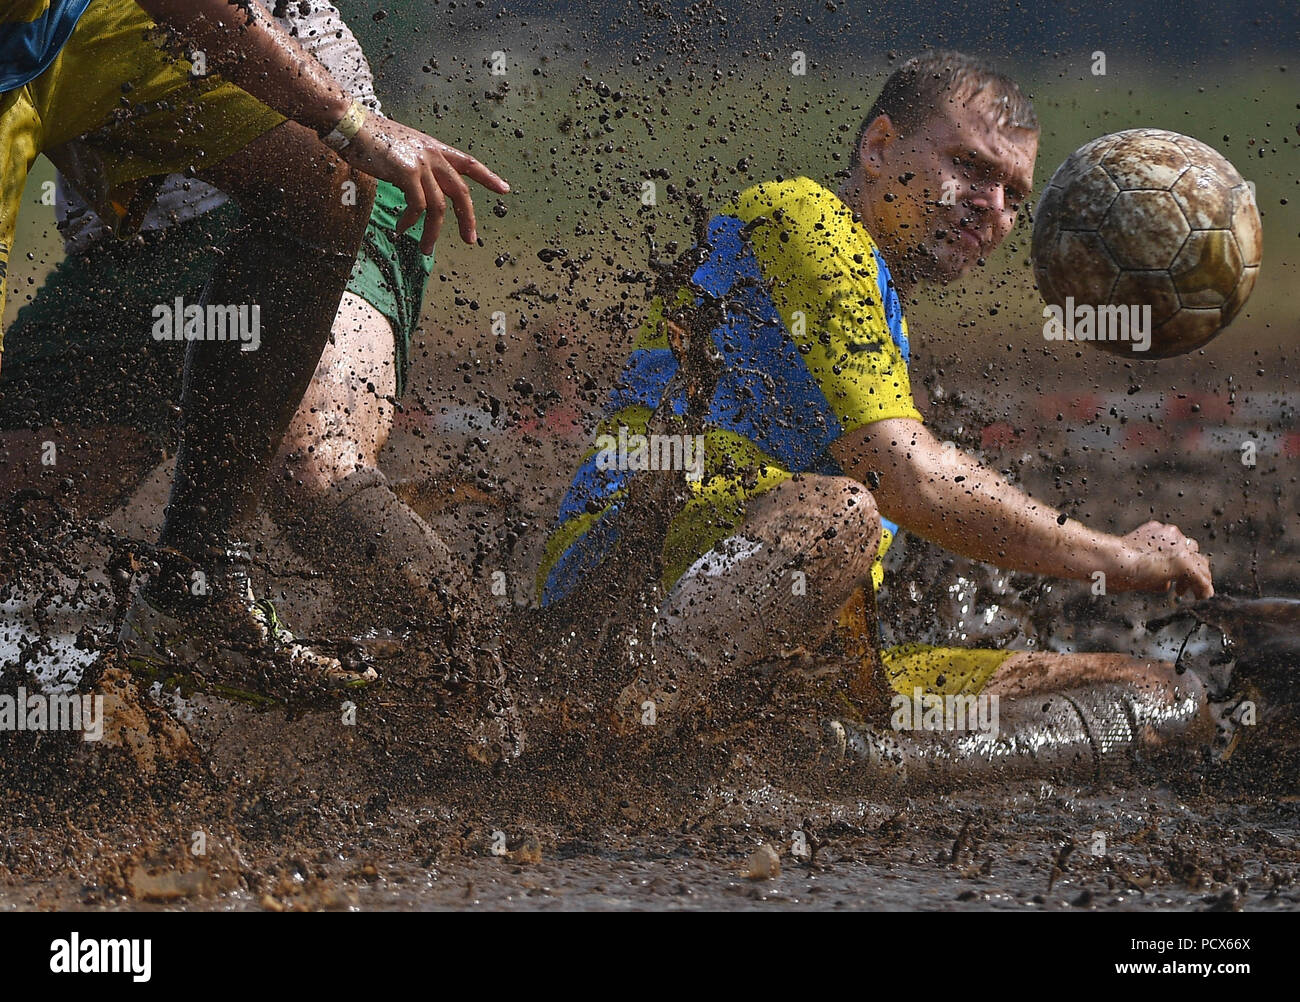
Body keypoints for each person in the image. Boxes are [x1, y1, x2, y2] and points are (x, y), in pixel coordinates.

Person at [535, 50, 1215, 747]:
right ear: (880, 147)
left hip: (785, 651)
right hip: (615, 598)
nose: (995, 209)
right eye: (974, 168)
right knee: (842, 516)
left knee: (1142, 690)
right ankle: (600, 732)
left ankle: (842, 756)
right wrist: (1122, 559)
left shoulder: (884, 306)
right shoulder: (807, 223)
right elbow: (906, 476)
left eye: (1015, 194)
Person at [0, 0, 507, 701]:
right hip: (129, 243)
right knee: (15, 516)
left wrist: (346, 122)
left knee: (314, 468)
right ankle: (110, 716)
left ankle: (500, 715)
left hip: (325, 151)